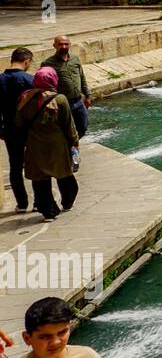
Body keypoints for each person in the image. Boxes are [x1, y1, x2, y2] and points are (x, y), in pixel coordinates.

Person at [16, 67, 79, 222]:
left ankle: (48, 212)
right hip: (57, 144)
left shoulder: (25, 98)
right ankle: (67, 202)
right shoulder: (60, 99)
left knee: (40, 179)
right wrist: (74, 141)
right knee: (64, 174)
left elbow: (18, 122)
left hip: (35, 144)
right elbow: (68, 124)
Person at [1, 49, 35, 212]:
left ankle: (22, 203)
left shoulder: (0, 80)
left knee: (15, 166)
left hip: (9, 129)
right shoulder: (29, 79)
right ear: (27, 61)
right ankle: (39, 202)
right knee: (36, 165)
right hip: (31, 129)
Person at [41, 36, 90, 139]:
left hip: (78, 100)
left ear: (70, 45)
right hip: (63, 103)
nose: (64, 46)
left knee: (83, 126)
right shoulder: (48, 63)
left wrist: (88, 95)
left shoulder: (75, 58)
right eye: (60, 44)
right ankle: (70, 149)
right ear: (54, 46)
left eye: (66, 44)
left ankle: (72, 145)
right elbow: (45, 84)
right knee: (66, 129)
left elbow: (81, 76)